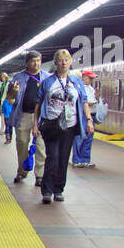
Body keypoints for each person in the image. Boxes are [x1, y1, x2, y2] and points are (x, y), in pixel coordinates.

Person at [35, 49, 92, 204]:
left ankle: (58, 189)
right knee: (52, 157)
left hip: (70, 125)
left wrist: (89, 120)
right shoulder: (48, 82)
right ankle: (47, 190)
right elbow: (38, 104)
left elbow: (84, 102)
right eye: (60, 60)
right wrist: (35, 125)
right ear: (55, 63)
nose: (63, 62)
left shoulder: (77, 82)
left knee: (63, 158)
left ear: (70, 62)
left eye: (66, 60)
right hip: (51, 124)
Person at [6, 51, 47, 186]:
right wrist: (14, 91)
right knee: (22, 143)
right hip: (23, 115)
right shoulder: (18, 78)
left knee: (41, 146)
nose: (36, 63)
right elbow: (10, 99)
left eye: (39, 60)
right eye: (33, 61)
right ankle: (22, 171)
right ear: (27, 63)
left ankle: (40, 176)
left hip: (42, 118)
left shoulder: (46, 77)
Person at [71, 69, 100, 168]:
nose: (92, 80)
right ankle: (77, 160)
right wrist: (93, 102)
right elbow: (84, 102)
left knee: (88, 138)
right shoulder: (79, 88)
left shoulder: (91, 88)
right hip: (82, 116)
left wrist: (97, 97)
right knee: (80, 137)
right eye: (90, 78)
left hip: (91, 115)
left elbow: (93, 100)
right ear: (83, 78)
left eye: (92, 78)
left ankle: (85, 160)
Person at [0, 78, 18, 144]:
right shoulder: (15, 101)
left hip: (6, 117)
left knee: (7, 127)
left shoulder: (5, 101)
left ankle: (8, 138)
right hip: (12, 116)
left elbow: (3, 110)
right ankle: (11, 137)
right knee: (11, 128)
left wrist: (4, 114)